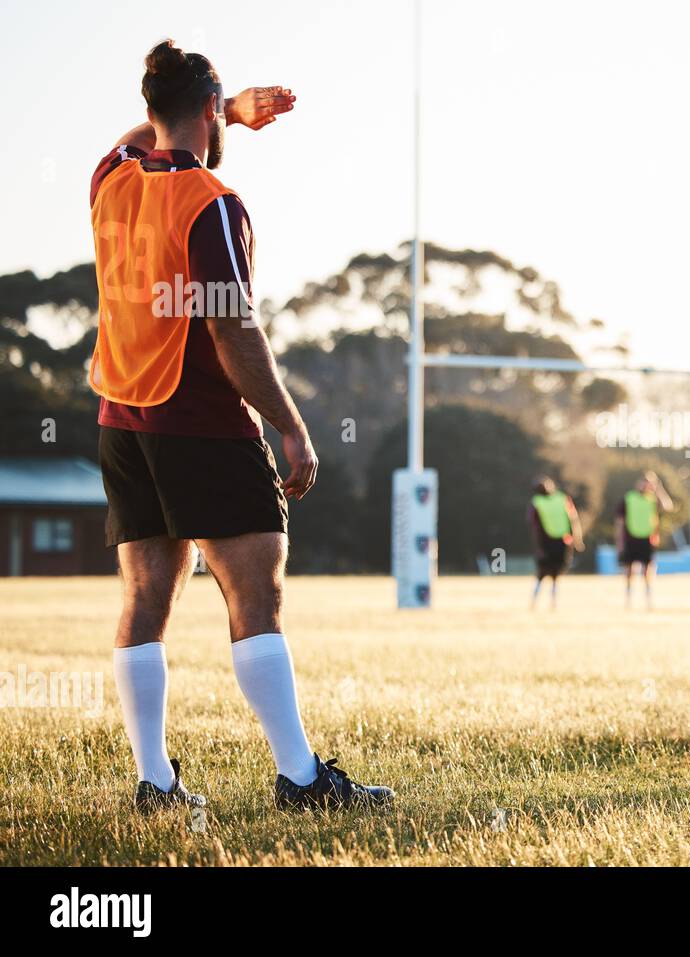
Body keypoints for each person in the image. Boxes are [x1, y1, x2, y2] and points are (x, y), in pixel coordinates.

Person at [92, 40, 392, 811]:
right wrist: (289, 423)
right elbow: (234, 330)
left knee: (147, 594)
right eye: (217, 111)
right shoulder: (211, 202)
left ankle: (155, 782)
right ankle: (300, 778)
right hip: (199, 422)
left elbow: (137, 139)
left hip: (122, 423)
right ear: (203, 112)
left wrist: (220, 105)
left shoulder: (110, 181)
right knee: (253, 589)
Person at [615, 471, 674, 609]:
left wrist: (658, 489)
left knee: (648, 571)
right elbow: (619, 521)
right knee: (630, 571)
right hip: (631, 538)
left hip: (648, 539)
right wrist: (619, 541)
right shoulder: (629, 498)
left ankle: (648, 599)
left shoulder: (653, 499)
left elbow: (668, 507)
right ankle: (628, 599)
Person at [527, 476, 584, 609]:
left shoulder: (563, 498)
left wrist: (576, 538)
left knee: (556, 574)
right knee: (542, 573)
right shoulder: (537, 502)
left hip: (562, 541)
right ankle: (534, 602)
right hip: (545, 543)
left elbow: (573, 519)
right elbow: (534, 525)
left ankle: (553, 603)